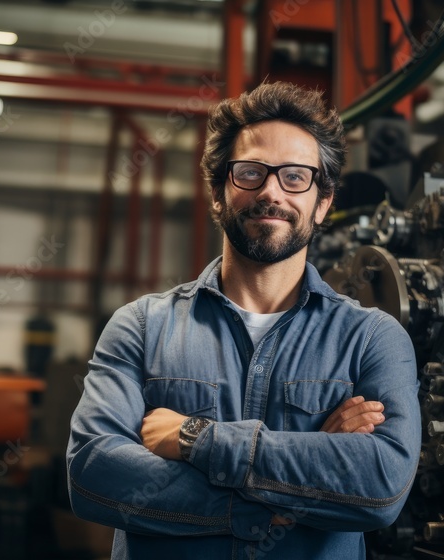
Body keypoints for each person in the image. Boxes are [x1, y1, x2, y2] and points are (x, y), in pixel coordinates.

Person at [67, 81, 420, 559]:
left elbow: (380, 484)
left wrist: (195, 439)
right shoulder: (141, 327)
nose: (271, 191)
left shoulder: (372, 339)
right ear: (218, 192)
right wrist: (279, 496)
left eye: (295, 177)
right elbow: (93, 471)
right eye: (251, 173)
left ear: (323, 202)